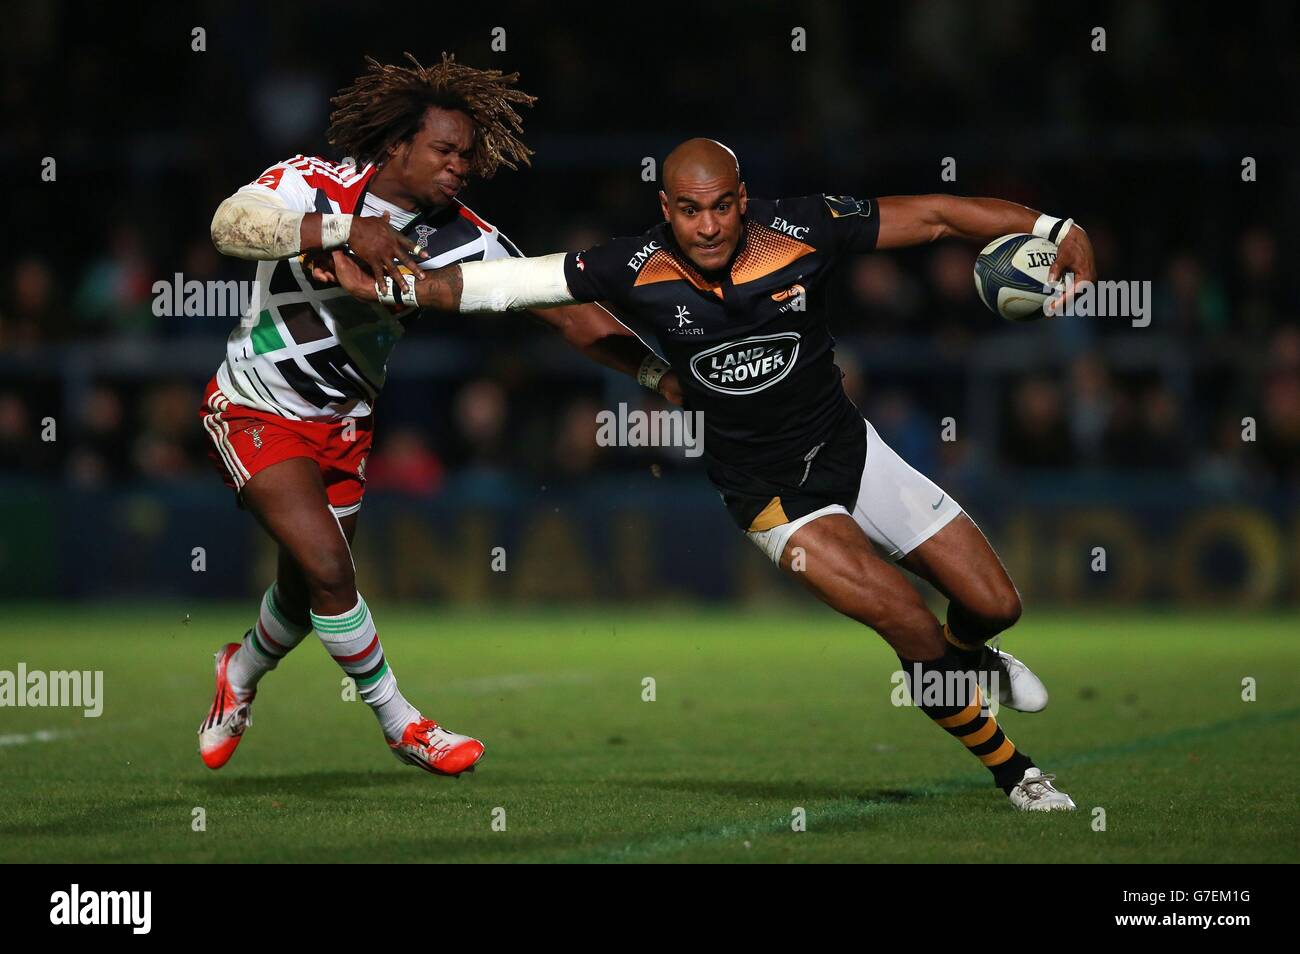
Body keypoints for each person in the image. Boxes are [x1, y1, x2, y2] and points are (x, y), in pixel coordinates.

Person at [336, 138, 1098, 810]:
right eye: (691, 210)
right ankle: (1016, 773)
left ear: (744, 201)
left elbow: (934, 215)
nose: (708, 226)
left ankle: (967, 656)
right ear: (665, 208)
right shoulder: (629, 265)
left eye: (723, 207)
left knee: (994, 604)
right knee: (904, 617)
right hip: (772, 496)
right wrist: (398, 288)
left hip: (856, 453)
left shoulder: (801, 229)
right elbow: (508, 284)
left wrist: (1056, 230)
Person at [198, 54, 679, 777]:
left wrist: (655, 373)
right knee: (330, 568)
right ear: (398, 145)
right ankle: (404, 724)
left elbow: (563, 310)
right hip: (254, 404)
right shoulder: (311, 181)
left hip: (345, 425)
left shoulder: (468, 238)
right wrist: (341, 231)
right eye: (445, 151)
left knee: (305, 592)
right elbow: (229, 225)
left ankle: (237, 671)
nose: (460, 167)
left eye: (467, 156)